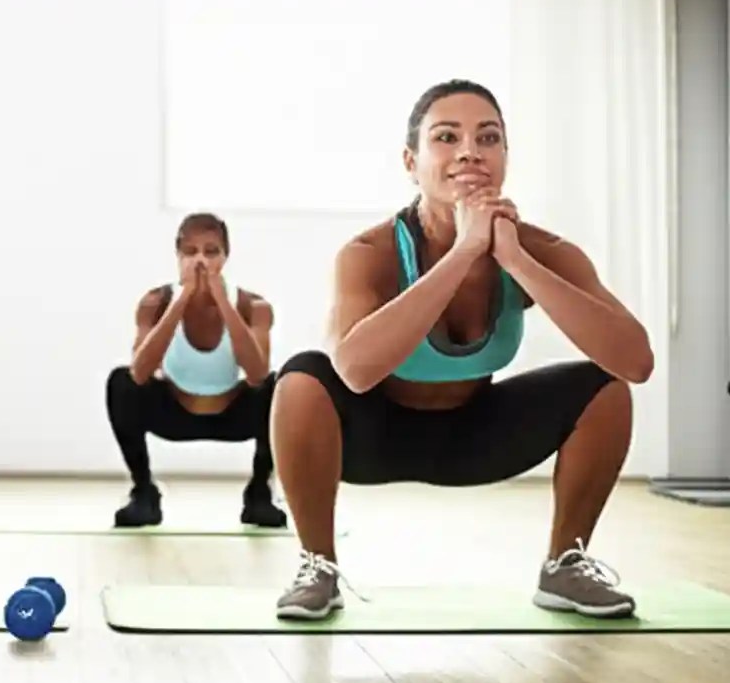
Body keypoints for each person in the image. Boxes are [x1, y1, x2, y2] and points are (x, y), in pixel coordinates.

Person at [270, 79, 653, 621]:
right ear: (412, 160)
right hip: (374, 437)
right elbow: (354, 371)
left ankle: (565, 566)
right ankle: (318, 565)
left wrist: (515, 261)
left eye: (488, 138)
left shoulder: (543, 250)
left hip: (476, 438)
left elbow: (635, 361)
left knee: (605, 388)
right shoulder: (369, 253)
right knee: (302, 377)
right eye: (446, 137)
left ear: (504, 157)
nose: (470, 151)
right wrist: (466, 248)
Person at [107, 213, 286, 528]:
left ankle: (259, 494)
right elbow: (140, 374)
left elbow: (257, 374)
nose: (200, 260)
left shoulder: (253, 306)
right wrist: (183, 299)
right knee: (120, 383)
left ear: (225, 257)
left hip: (232, 415)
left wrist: (222, 301)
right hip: (174, 413)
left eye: (211, 251)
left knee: (280, 385)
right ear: (177, 256)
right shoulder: (155, 302)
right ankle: (143, 492)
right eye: (190, 252)